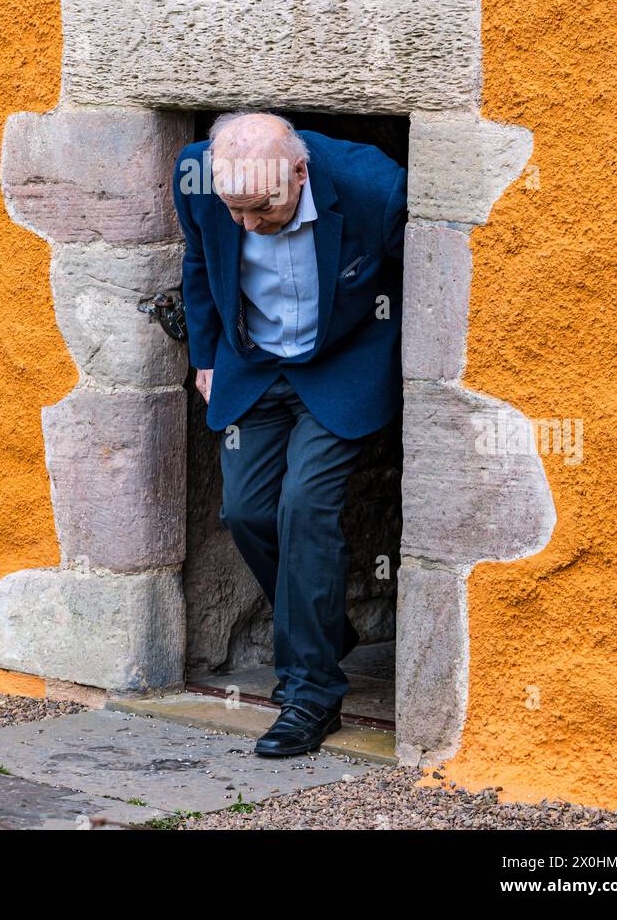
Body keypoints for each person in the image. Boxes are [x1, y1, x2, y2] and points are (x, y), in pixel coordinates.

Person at [172, 110, 407, 757]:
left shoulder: (375, 188)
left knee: (305, 506)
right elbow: (200, 262)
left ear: (299, 172)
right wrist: (207, 356)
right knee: (245, 509)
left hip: (344, 363)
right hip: (255, 366)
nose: (247, 226)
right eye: (235, 210)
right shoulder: (197, 175)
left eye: (261, 209)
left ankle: (310, 693)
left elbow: (425, 278)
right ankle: (324, 629)